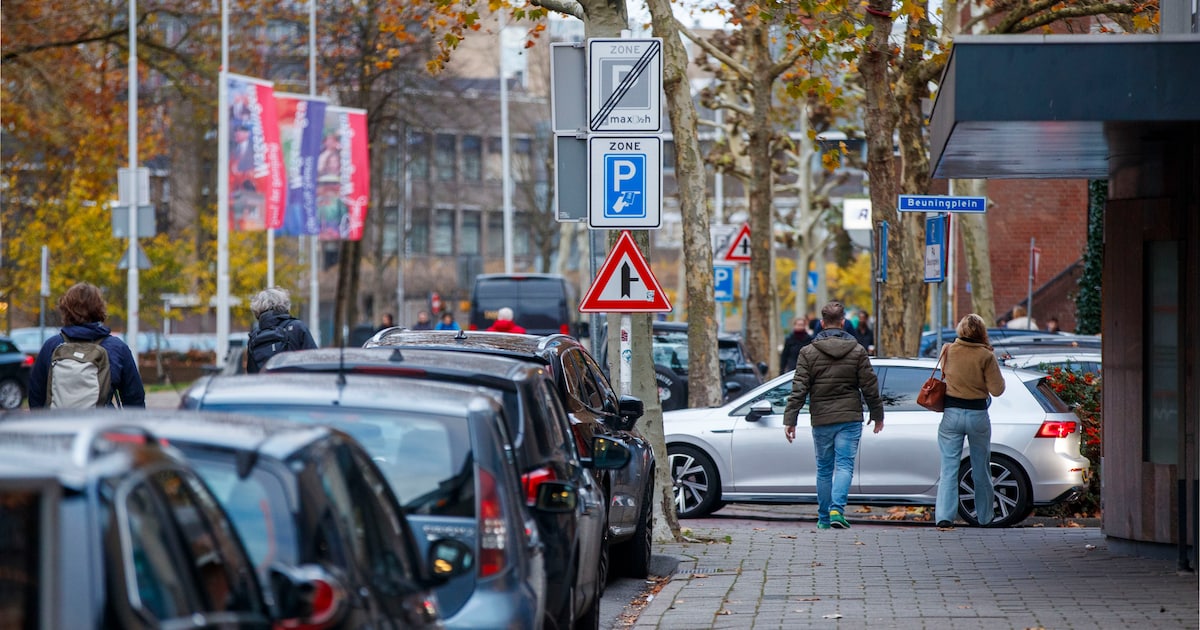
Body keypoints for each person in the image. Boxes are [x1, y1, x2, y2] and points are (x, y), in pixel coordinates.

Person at [782, 301, 884, 530]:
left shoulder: (808, 352)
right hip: (849, 417)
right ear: (843, 322)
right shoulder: (857, 350)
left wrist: (791, 419)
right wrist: (878, 414)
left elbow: (799, 388)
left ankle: (824, 518)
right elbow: (869, 385)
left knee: (824, 468)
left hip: (822, 418)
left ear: (821, 323)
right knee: (845, 465)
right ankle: (837, 509)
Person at [935, 313, 1006, 529]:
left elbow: (943, 374)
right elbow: (998, 390)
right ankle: (985, 517)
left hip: (952, 413)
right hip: (977, 415)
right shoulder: (986, 356)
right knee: (980, 467)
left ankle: (944, 517)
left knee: (948, 468)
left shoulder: (948, 350)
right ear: (981, 332)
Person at [28, 282, 145, 408]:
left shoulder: (52, 346)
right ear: (100, 308)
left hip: (58, 424)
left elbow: (36, 395)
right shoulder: (116, 348)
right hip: (100, 426)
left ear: (65, 309)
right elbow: (134, 399)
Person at [245, 287, 318, 374]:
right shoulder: (297, 328)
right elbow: (315, 361)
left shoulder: (254, 336)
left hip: (265, 386)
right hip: (296, 385)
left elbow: (252, 373)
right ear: (285, 305)